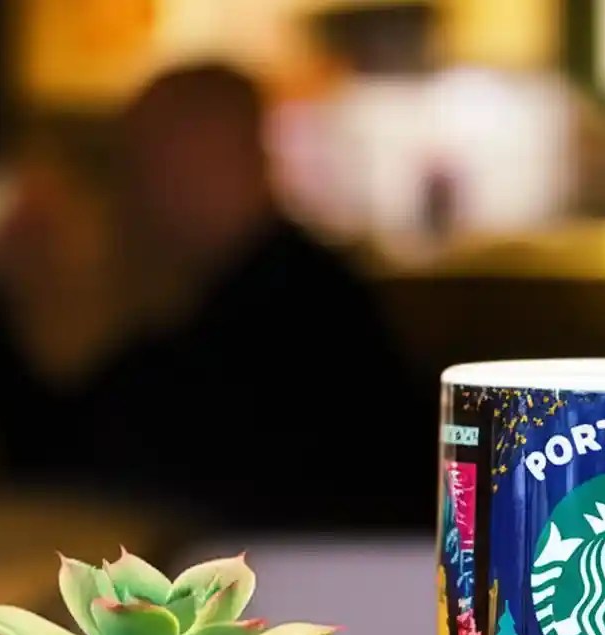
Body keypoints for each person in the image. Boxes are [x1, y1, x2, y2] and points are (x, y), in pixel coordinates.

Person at [90, 62, 431, 529]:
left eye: (151, 161)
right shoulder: (272, 289)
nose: (136, 194)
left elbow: (134, 458)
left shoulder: (293, 312)